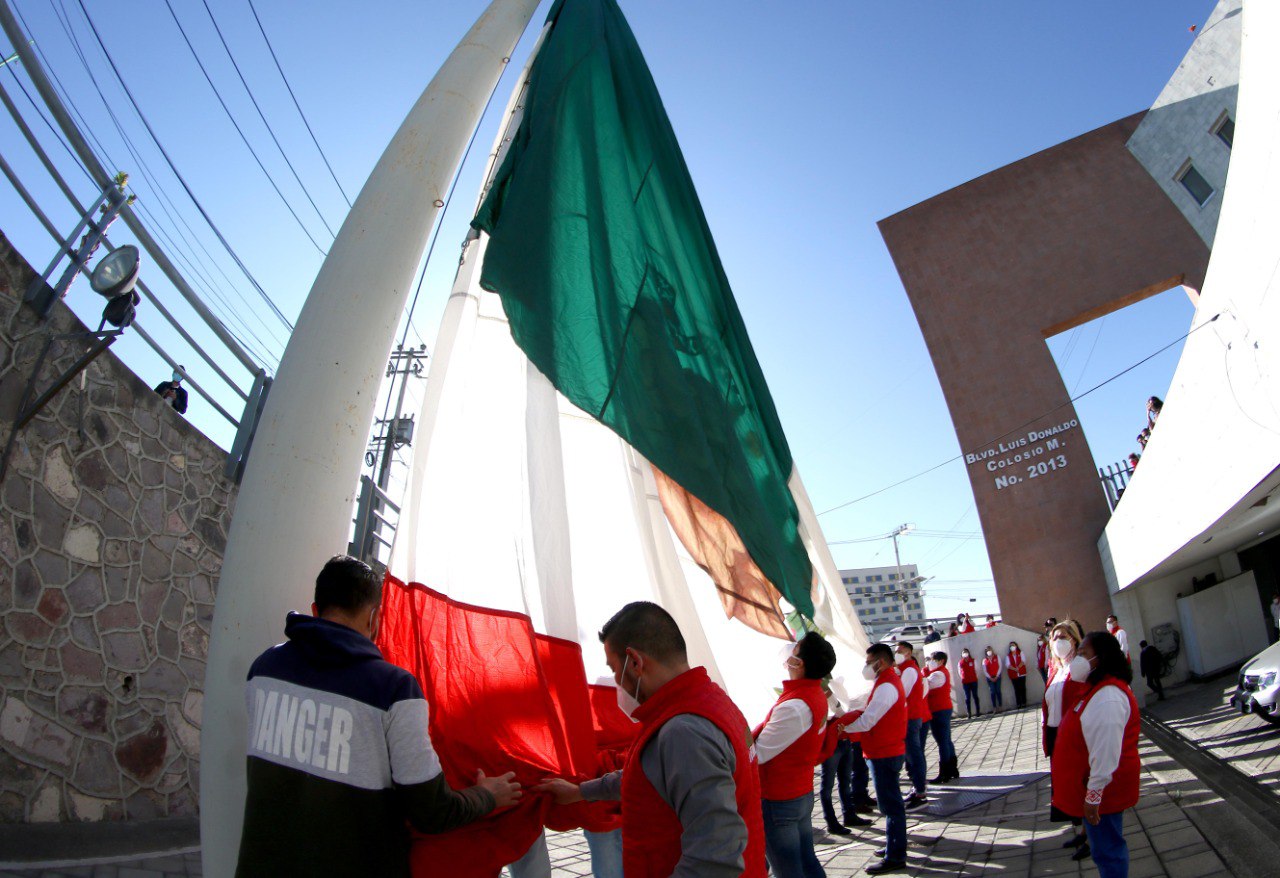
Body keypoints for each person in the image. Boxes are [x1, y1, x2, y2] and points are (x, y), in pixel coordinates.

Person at [236, 555, 521, 877]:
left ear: (315, 609)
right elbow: (432, 812)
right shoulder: (394, 689)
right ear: (375, 617)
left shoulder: (263, 670)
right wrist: (486, 796)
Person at [535, 602, 766, 878]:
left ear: (634, 662)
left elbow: (715, 856)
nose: (616, 682)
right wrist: (581, 792)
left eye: (613, 668)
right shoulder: (710, 700)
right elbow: (647, 775)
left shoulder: (683, 731)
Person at [1050, 631, 1141, 878]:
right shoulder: (1095, 688)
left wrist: (1094, 795)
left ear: (1100, 658)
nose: (1077, 659)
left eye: (1083, 654)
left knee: (1108, 850)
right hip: (1093, 787)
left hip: (1105, 791)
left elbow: (1106, 750)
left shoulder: (1108, 695)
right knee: (1103, 849)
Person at [753, 632, 835, 878]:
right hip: (798, 792)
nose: (789, 653)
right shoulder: (812, 695)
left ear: (799, 664)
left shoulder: (795, 705)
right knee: (807, 862)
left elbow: (760, 753)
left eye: (794, 651)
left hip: (779, 799)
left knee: (788, 870)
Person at [840, 644, 908, 875]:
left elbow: (869, 720)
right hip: (882, 750)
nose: (866, 667)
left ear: (881, 662)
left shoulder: (887, 685)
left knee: (891, 806)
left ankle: (896, 855)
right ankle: (893, 844)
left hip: (885, 753)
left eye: (869, 662)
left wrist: (843, 728)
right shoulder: (884, 682)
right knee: (888, 804)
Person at [1043, 620, 1089, 860]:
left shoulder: (1079, 666)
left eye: (1063, 636)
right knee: (1068, 788)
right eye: (1054, 637)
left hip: (1072, 733)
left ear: (1073, 639)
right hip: (1055, 732)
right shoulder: (1056, 668)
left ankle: (1092, 837)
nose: (1058, 641)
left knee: (1080, 785)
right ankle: (1081, 832)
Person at [819, 690, 873, 836]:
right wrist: (831, 696)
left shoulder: (835, 688)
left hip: (845, 740)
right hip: (832, 743)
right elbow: (838, 712)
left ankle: (849, 814)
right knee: (827, 785)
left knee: (845, 781)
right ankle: (831, 821)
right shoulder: (820, 693)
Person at [894, 642, 930, 810]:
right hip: (910, 717)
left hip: (911, 717)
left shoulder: (908, 670)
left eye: (899, 650)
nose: (896, 653)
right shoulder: (905, 669)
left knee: (914, 755)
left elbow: (902, 693)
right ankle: (917, 789)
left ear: (908, 653)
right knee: (912, 755)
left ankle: (921, 793)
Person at [924, 651, 958, 783]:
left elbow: (926, 684)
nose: (929, 662)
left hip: (939, 709)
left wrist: (924, 673)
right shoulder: (939, 672)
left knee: (942, 740)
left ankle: (945, 771)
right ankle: (952, 768)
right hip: (941, 708)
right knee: (946, 739)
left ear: (941, 661)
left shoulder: (938, 674)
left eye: (932, 659)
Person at [958, 648, 980, 717]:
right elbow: (959, 672)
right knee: (967, 698)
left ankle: (978, 711)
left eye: (966, 652)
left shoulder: (973, 660)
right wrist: (963, 678)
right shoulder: (960, 662)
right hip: (965, 682)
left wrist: (975, 677)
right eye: (964, 652)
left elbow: (977, 670)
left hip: (973, 681)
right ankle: (969, 713)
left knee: (975, 696)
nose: (965, 653)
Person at [982, 646, 1004, 713]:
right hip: (990, 678)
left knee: (998, 691)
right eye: (987, 650)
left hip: (997, 677)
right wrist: (990, 678)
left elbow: (1000, 666)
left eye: (990, 650)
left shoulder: (997, 657)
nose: (989, 651)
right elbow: (984, 670)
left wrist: (997, 676)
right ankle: (994, 707)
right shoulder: (984, 660)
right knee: (992, 692)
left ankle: (1000, 706)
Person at [1007, 642, 1029, 708]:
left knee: (1022, 688)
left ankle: (1024, 702)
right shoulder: (1008, 655)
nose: (1012, 647)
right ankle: (1018, 703)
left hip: (1022, 673)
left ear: (1016, 646)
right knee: (1016, 689)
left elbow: (1023, 661)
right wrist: (1014, 669)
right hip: (1013, 675)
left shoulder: (1020, 652)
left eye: (1013, 645)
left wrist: (1018, 668)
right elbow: (1007, 665)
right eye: (1011, 646)